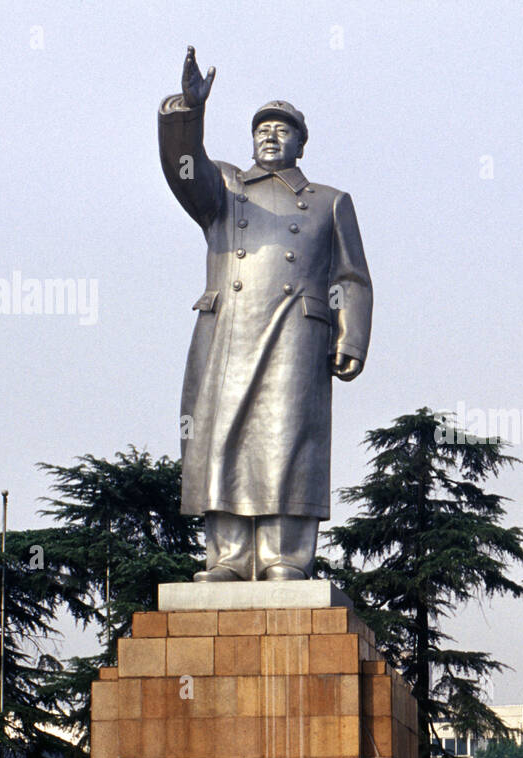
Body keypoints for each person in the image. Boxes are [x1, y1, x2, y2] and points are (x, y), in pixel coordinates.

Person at [158, 47, 372, 581]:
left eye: (282, 129)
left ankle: (285, 557)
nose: (270, 136)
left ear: (302, 141)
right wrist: (188, 111)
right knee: (222, 436)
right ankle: (227, 557)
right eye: (262, 129)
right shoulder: (225, 188)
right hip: (230, 326)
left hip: (296, 332)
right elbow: (183, 172)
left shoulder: (329, 201)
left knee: (288, 438)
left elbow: (350, 276)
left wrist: (351, 336)